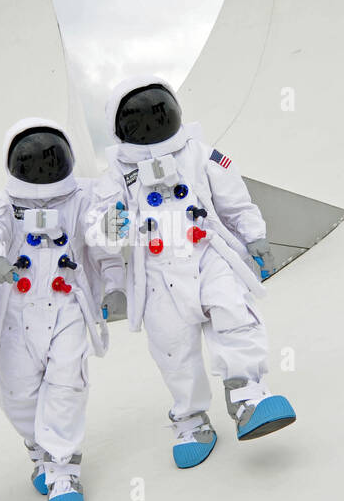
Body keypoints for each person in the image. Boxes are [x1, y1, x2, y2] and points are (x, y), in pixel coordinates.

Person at [100, 77, 296, 469]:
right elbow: (102, 234)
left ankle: (248, 395)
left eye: (157, 113)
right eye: (139, 119)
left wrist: (255, 237)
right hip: (157, 273)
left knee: (236, 318)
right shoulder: (115, 176)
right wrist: (113, 234)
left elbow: (236, 202)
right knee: (173, 349)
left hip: (209, 254)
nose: (151, 123)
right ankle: (190, 418)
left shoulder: (200, 154)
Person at [0, 118, 124, 501]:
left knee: (67, 381)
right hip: (16, 313)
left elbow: (102, 234)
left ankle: (63, 469)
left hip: (66, 303)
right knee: (17, 394)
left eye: (49, 157)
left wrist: (113, 272)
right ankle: (38, 447)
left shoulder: (84, 196)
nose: (41, 165)